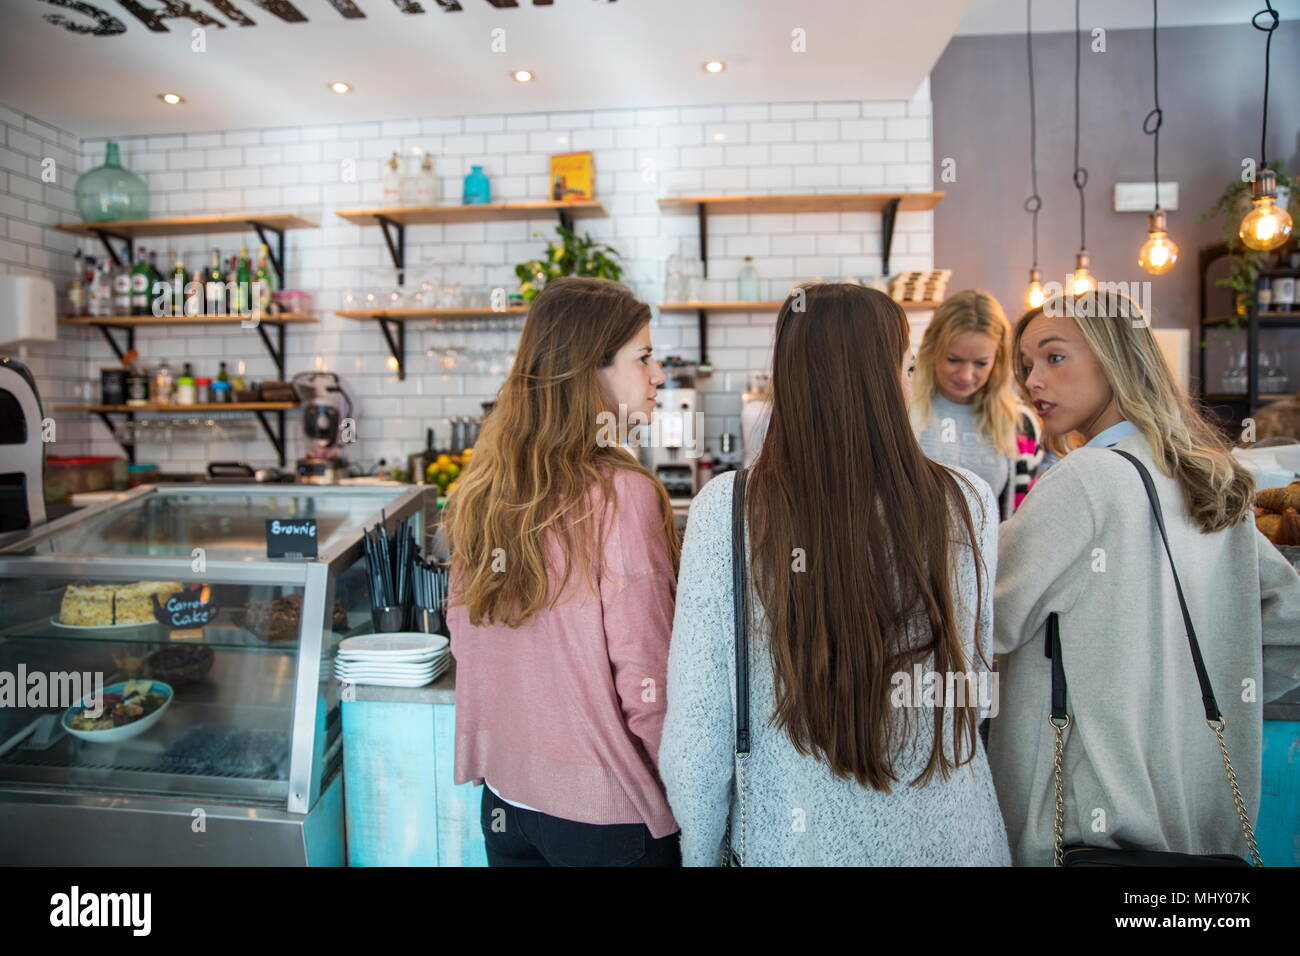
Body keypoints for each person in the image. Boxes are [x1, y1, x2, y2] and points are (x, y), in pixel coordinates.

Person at [660, 283, 1011, 866]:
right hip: (949, 838)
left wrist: (700, 853)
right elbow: (969, 685)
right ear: (883, 380)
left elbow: (698, 728)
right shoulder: (967, 500)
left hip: (796, 844)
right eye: (905, 366)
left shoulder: (730, 508)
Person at [990, 292, 1300, 867]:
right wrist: (1179, 710)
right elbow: (1290, 629)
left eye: (1054, 358)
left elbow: (983, 618)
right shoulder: (1208, 478)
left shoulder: (1084, 480)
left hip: (1083, 824)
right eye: (1026, 365)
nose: (1033, 380)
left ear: (1116, 360)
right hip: (1197, 824)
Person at [443, 276, 682, 866]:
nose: (659, 376)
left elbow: (466, 642)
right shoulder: (624, 496)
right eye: (644, 358)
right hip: (607, 817)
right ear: (589, 370)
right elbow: (647, 681)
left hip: (506, 804)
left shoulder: (485, 486)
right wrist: (691, 802)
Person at [911, 290, 1042, 520]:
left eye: (981, 363)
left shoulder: (1021, 425)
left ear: (998, 359)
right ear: (933, 349)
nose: (965, 375)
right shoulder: (902, 409)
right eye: (954, 360)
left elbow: (1023, 517)